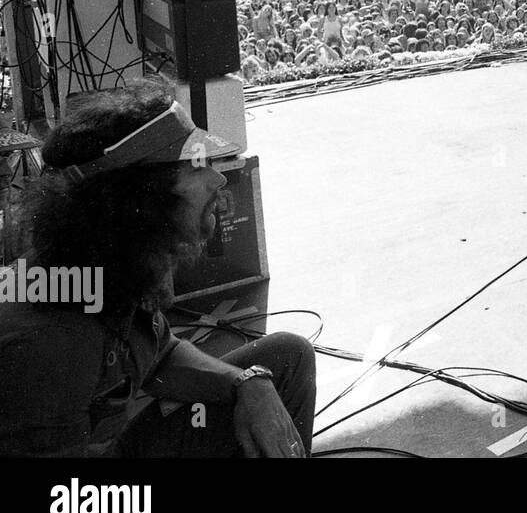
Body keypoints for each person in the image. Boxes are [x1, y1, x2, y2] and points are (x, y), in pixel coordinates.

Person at [0, 82, 316, 457]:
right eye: (195, 166)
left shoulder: (113, 271)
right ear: (141, 198)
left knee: (286, 357)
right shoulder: (53, 341)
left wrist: (247, 382)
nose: (218, 178)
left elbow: (160, 356)